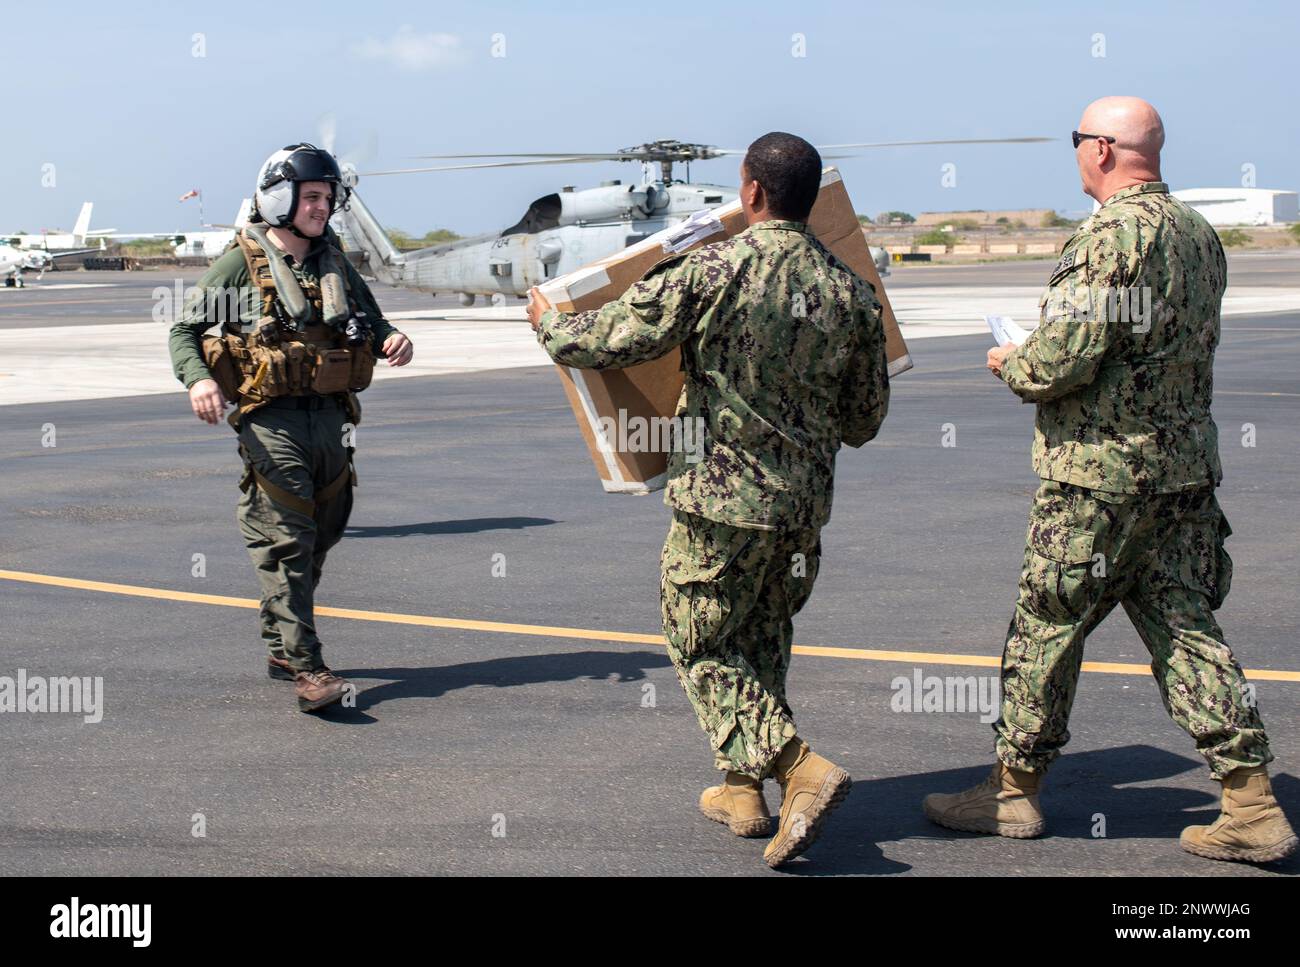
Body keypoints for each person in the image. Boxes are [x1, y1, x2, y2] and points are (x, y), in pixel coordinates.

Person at [923, 97, 1296, 864]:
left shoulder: (1107, 237)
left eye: (1076, 141)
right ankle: (1251, 798)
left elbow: (1060, 362)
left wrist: (1011, 361)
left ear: (1099, 150)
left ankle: (1013, 793)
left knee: (1046, 628)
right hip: (1181, 475)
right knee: (1186, 629)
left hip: (1098, 478)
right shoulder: (1198, 234)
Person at [527, 132, 890, 868]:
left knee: (697, 639)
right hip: (801, 512)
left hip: (720, 505)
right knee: (761, 640)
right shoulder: (850, 290)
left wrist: (548, 323)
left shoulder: (712, 270)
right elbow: (865, 421)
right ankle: (742, 789)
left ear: (751, 192)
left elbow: (611, 338)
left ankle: (800, 768)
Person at [168, 143, 413, 712]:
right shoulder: (241, 262)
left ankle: (281, 646)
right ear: (280, 197)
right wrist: (197, 381)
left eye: (327, 197)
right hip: (270, 420)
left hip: (333, 420)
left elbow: (373, 322)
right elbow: (184, 330)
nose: (322, 207)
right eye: (311, 197)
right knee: (287, 539)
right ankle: (308, 668)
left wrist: (393, 339)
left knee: (325, 529)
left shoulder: (335, 260)